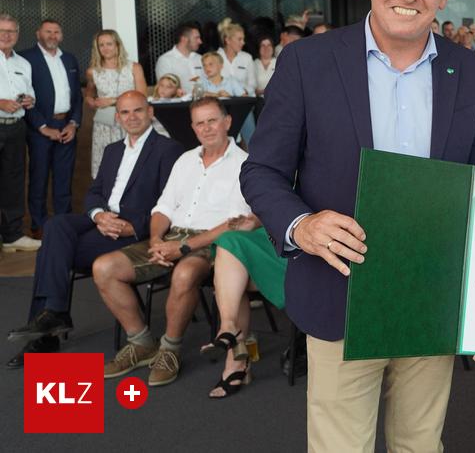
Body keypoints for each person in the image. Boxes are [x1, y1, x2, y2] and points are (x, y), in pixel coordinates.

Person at [240, 0, 475, 452]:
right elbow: (260, 171)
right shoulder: (308, 62)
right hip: (340, 293)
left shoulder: (472, 73)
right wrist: (301, 225)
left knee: (420, 445)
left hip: (431, 297)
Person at [5, 91, 183, 367]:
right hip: (103, 220)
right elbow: (95, 192)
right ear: (117, 117)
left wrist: (134, 228)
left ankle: (48, 328)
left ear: (150, 113)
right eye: (125, 112)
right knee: (56, 225)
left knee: (51, 252)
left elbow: (171, 203)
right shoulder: (113, 150)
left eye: (138, 110)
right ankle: (53, 317)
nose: (132, 117)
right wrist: (98, 215)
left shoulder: (168, 149)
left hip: (132, 229)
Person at [92, 97, 253, 386]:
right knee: (104, 268)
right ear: (193, 128)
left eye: (212, 121)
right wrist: (156, 239)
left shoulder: (245, 164)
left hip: (213, 243)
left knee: (184, 273)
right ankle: (141, 342)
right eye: (200, 123)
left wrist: (184, 247)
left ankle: (170, 349)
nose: (206, 128)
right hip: (170, 236)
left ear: (227, 122)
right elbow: (163, 208)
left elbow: (234, 224)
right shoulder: (185, 160)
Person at [204, 217, 285, 398]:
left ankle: (235, 357)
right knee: (228, 241)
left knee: (232, 274)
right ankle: (228, 327)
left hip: (307, 239)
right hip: (273, 231)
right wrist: (256, 220)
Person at [22, 19, 83, 241]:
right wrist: (42, 127)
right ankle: (38, 225)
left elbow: (77, 96)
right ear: (38, 33)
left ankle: (63, 223)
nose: (52, 35)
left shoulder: (69, 59)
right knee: (39, 178)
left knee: (64, 178)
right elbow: (23, 97)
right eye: (48, 31)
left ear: (61, 35)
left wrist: (73, 123)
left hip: (66, 125)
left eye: (56, 32)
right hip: (39, 127)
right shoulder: (25, 59)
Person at [84, 29, 147, 178]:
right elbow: (89, 95)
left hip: (130, 121)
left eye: (109, 44)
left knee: (132, 165)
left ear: (117, 45)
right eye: (101, 45)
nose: (105, 48)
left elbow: (142, 97)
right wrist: (92, 102)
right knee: (106, 166)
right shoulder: (92, 71)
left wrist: (112, 101)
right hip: (104, 125)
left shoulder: (134, 67)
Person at [0, 13, 39, 252]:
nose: (6, 35)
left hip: (16, 127)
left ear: (17, 34)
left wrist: (29, 100)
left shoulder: (23, 63)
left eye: (11, 31)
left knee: (13, 183)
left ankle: (12, 236)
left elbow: (30, 93)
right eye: (2, 30)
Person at [217, 19, 253, 91]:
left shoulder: (247, 58)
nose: (243, 42)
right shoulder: (214, 57)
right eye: (239, 39)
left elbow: (253, 84)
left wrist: (243, 92)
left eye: (243, 39)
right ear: (227, 40)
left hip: (244, 97)